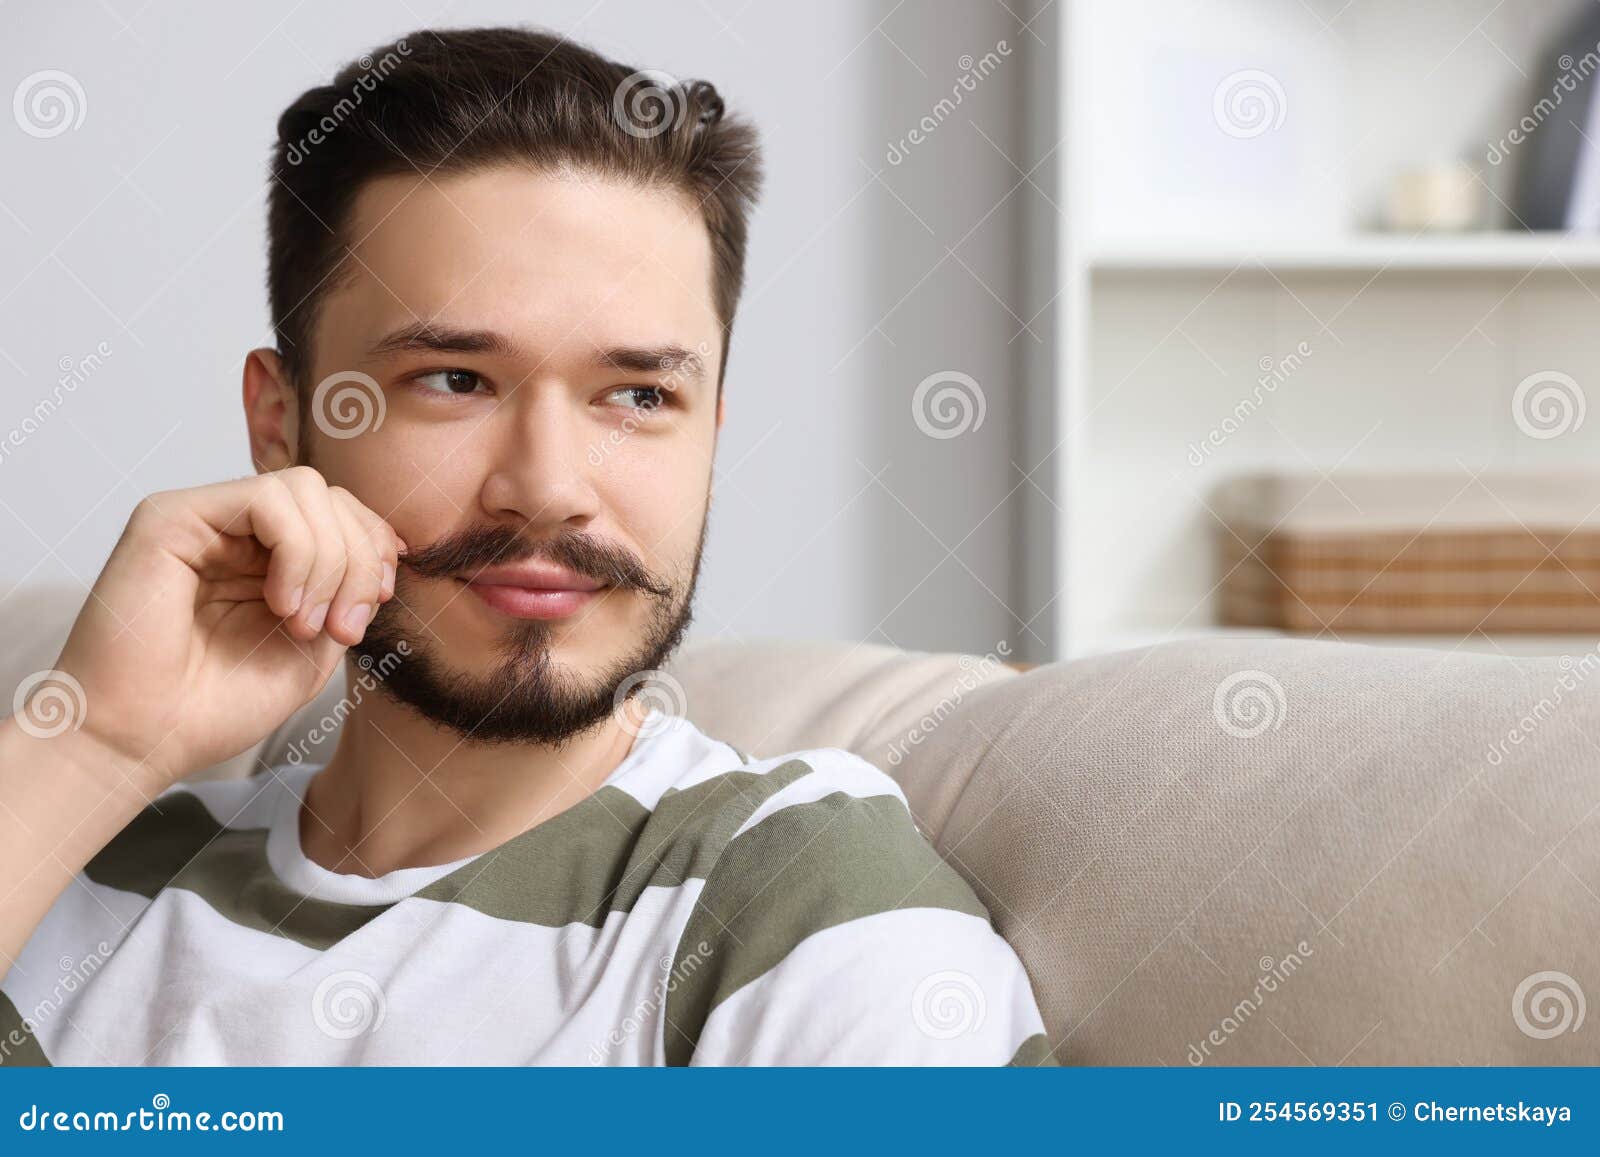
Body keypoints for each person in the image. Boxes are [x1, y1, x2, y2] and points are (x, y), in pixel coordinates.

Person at [0, 25, 1052, 1066]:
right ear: (282, 423)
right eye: (454, 380)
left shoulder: (803, 905)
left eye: (639, 395)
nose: (548, 490)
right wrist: (94, 745)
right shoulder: (79, 866)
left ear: (711, 434)